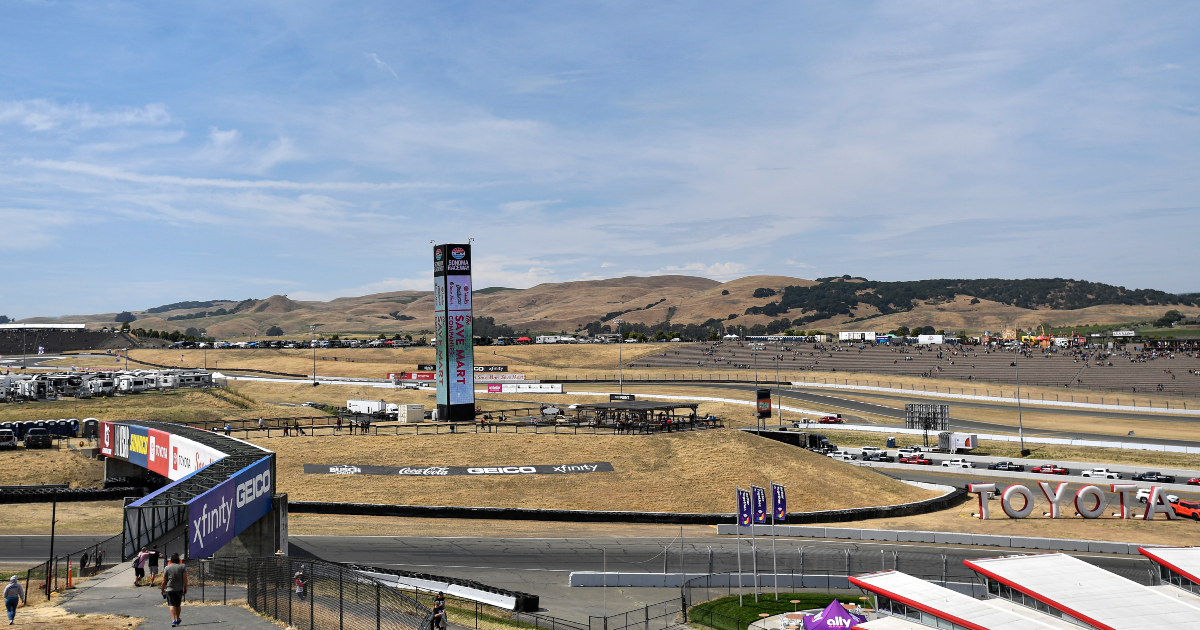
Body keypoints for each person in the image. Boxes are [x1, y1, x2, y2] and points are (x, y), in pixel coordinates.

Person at [161, 553, 187, 627]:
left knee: (172, 604)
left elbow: (164, 581)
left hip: (169, 588)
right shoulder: (183, 566)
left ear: (171, 560)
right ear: (179, 559)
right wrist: (185, 587)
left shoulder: (167, 568)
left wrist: (162, 589)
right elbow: (185, 578)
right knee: (178, 605)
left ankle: (173, 621)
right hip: (179, 588)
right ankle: (177, 619)